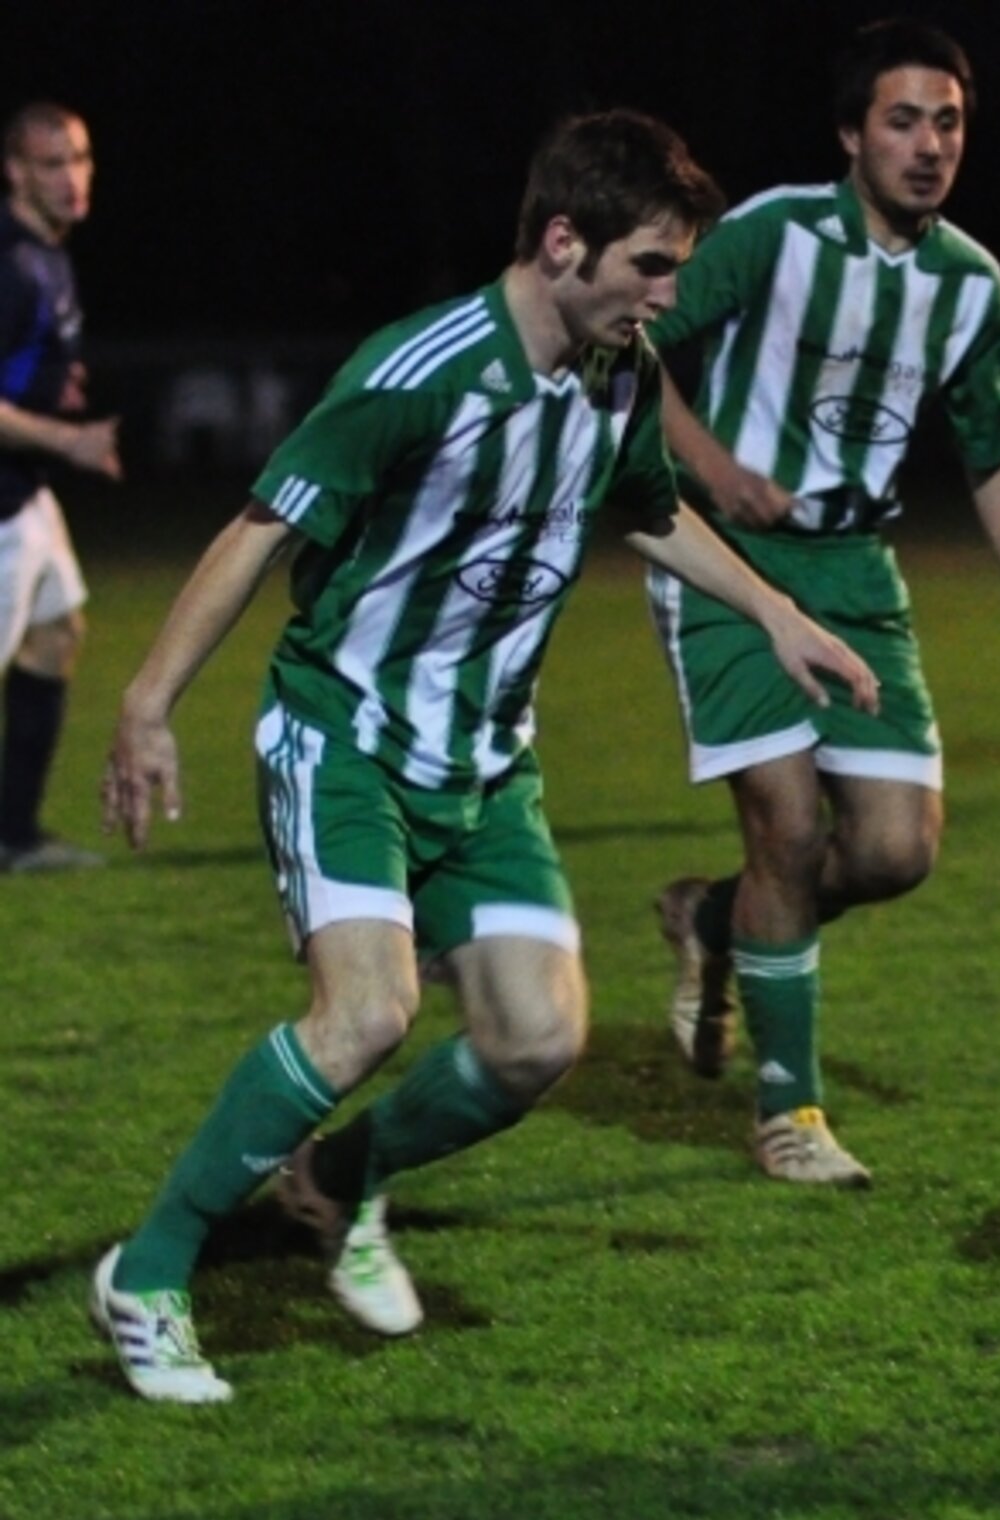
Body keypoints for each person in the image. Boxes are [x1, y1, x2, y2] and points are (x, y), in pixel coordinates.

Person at [91, 110, 879, 1406]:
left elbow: (650, 512)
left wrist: (780, 614)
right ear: (565, 242)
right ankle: (152, 1269)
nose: (670, 297)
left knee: (533, 1042)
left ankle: (336, 1183)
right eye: (653, 266)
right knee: (370, 1014)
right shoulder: (420, 369)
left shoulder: (622, 374)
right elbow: (258, 527)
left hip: (488, 763)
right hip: (345, 734)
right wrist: (146, 700)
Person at [645, 18, 1000, 1187]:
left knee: (890, 852)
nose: (930, 145)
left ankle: (715, 920)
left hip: (859, 575)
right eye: (902, 120)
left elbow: (995, 452)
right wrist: (714, 468)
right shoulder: (770, 234)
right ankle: (791, 1115)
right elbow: (626, 342)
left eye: (948, 122)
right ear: (849, 134)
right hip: (728, 564)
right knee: (785, 826)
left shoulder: (967, 282)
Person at [0, 102, 119, 872]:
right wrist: (70, 438)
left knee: (56, 634)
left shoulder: (49, 254)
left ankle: (13, 836)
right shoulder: (9, 265)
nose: (72, 178)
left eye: (79, 159)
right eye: (52, 164)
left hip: (26, 492)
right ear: (15, 172)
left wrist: (56, 394)